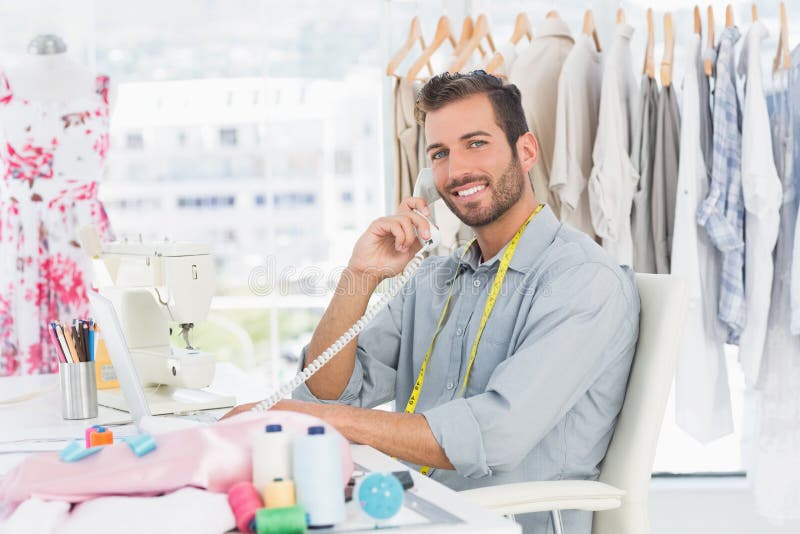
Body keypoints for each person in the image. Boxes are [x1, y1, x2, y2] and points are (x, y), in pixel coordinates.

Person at [225, 71, 640, 533]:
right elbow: (329, 390)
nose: (456, 170)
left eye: (476, 143)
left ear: (525, 152)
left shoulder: (581, 280)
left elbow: (493, 435)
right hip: (414, 513)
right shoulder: (438, 277)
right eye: (440, 154)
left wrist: (306, 418)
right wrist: (360, 277)